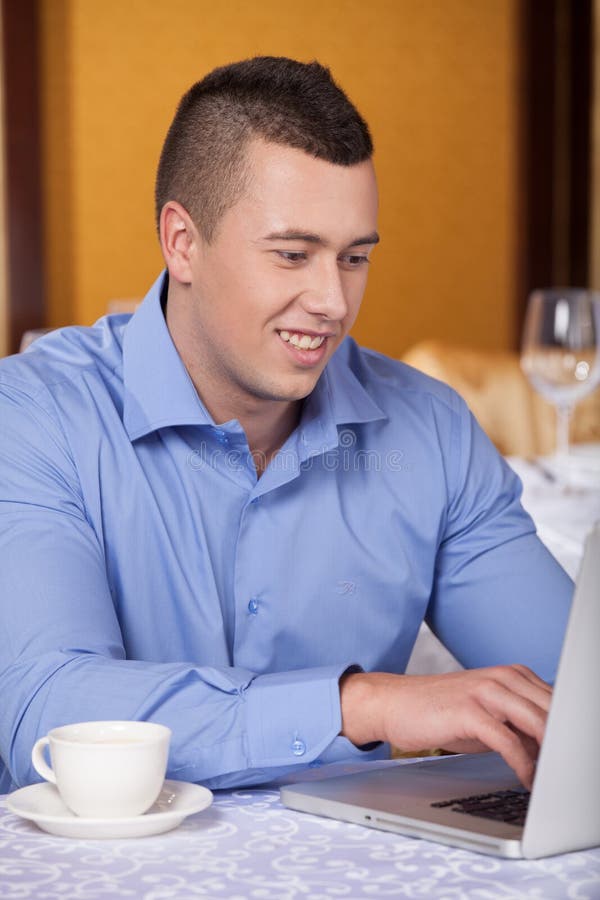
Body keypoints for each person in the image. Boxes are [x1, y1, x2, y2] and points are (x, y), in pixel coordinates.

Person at [0, 56, 572, 795]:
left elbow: (571, 695)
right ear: (183, 243)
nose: (333, 300)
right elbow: (43, 713)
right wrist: (357, 705)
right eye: (293, 255)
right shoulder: (34, 416)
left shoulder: (431, 431)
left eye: (355, 257)